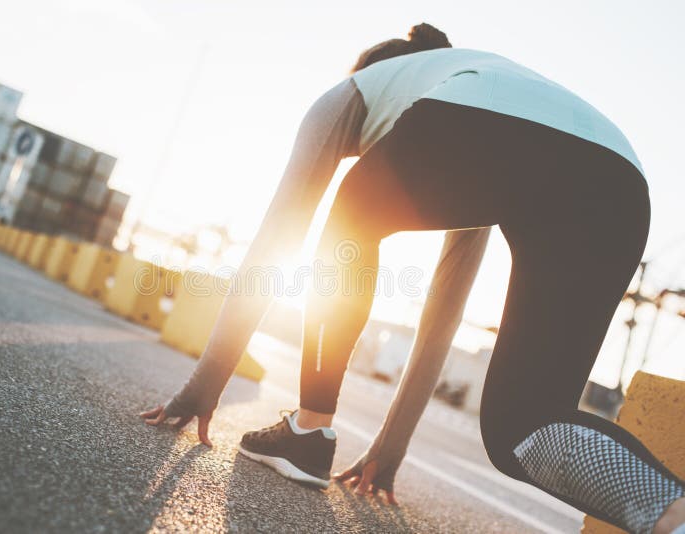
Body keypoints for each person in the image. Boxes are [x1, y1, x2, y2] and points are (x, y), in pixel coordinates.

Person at [141, 24, 685, 534]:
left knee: (350, 219)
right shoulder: (477, 86)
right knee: (523, 430)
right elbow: (442, 316)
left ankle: (308, 431)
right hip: (620, 182)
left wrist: (202, 386)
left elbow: (277, 240)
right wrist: (390, 448)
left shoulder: (354, 93)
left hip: (499, 135)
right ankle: (673, 516)